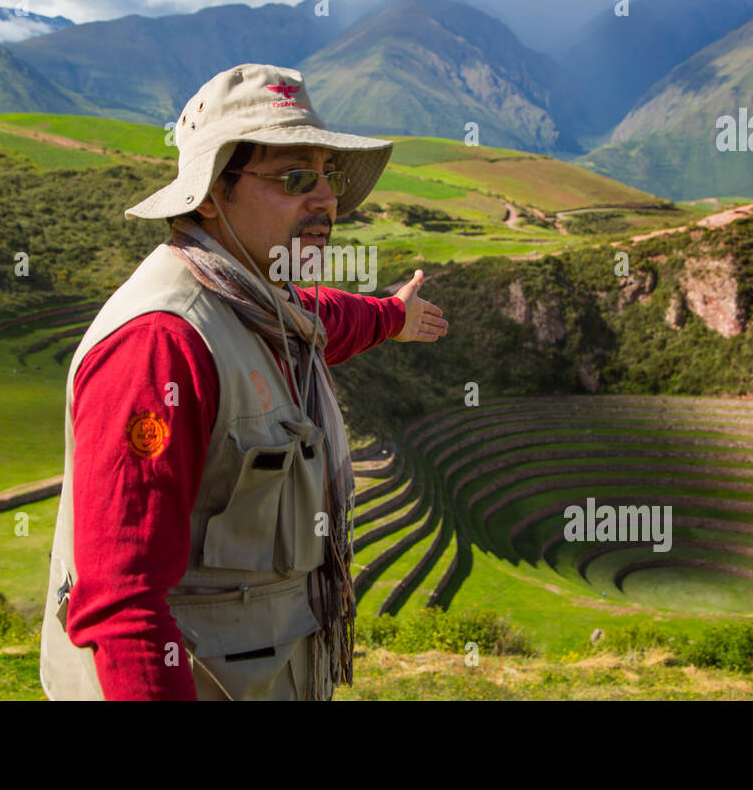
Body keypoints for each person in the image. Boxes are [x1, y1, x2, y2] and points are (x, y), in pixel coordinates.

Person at [39, 62, 448, 700]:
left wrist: (393, 316)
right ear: (208, 195)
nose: (326, 201)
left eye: (328, 176)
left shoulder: (262, 304)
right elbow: (124, 608)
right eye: (293, 177)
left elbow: (325, 320)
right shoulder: (160, 347)